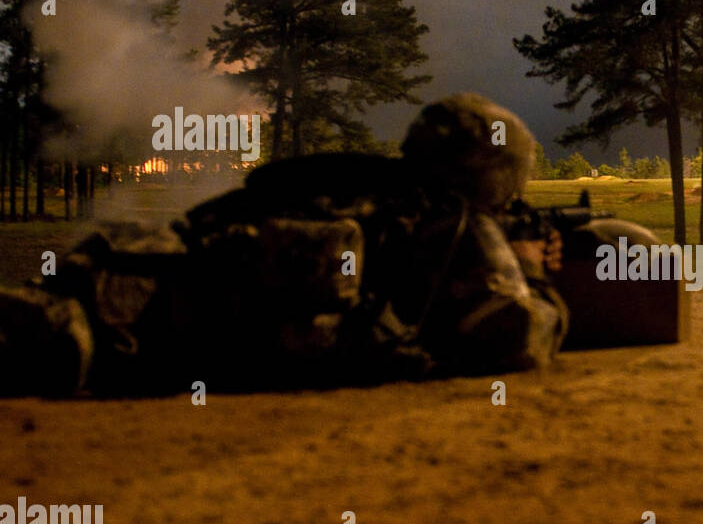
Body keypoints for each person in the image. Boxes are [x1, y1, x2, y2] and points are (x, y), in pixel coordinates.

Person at [0, 93, 570, 397]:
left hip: (134, 285)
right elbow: (513, 340)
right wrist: (534, 276)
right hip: (177, 340)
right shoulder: (453, 218)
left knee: (56, 327)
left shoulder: (348, 182)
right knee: (62, 345)